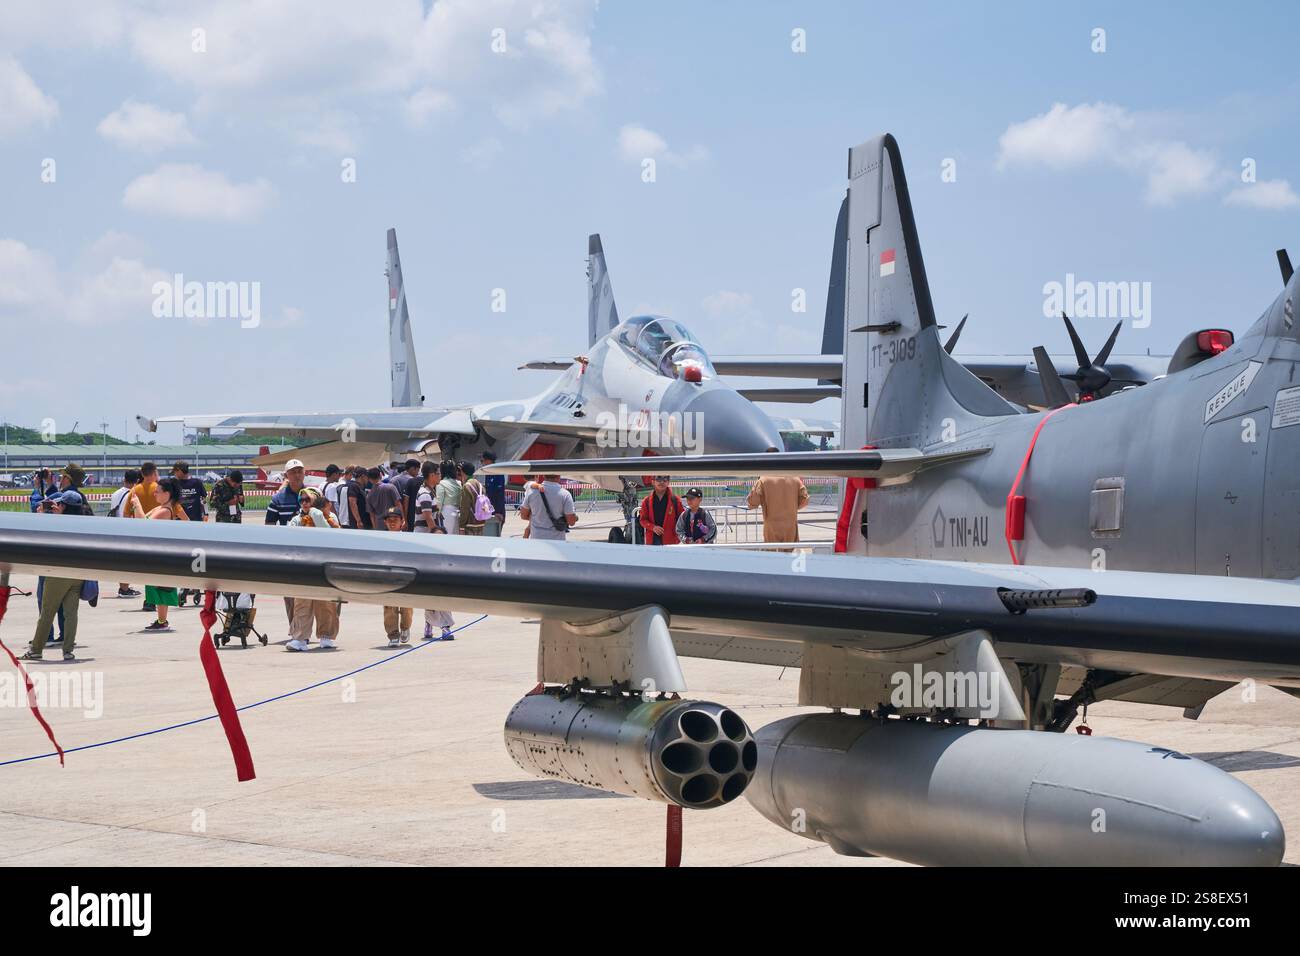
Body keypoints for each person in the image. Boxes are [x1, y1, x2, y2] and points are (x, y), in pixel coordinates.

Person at [21, 490, 87, 661]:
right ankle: (68, 650)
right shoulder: (84, 521)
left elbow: (40, 536)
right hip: (78, 573)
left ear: (64, 506)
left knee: (47, 612)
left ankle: (36, 649)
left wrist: (43, 516)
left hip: (59, 572)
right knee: (71, 614)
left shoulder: (57, 522)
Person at [285, 488, 341, 651]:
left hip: (325, 563)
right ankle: (300, 638)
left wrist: (317, 516)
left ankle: (326, 635)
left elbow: (330, 535)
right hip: (304, 563)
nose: (304, 503)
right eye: (301, 500)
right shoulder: (296, 519)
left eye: (307, 500)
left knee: (326, 603)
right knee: (302, 602)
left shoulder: (329, 518)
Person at [412, 465, 455, 640]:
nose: (439, 476)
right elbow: (429, 517)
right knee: (439, 585)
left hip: (427, 543)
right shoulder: (425, 493)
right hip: (428, 545)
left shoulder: (430, 490)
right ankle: (444, 626)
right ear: (430, 475)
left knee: (430, 586)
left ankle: (429, 625)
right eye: (437, 473)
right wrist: (436, 538)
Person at [142, 477, 185, 632]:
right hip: (158, 552)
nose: (155, 494)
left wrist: (136, 504)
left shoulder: (165, 510)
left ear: (167, 493)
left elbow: (143, 524)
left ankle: (162, 621)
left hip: (160, 553)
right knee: (159, 587)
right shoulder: (163, 508)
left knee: (161, 588)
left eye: (158, 491)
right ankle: (161, 620)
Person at [378, 505, 414, 646]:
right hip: (387, 577)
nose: (392, 522)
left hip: (405, 576)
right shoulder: (381, 539)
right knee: (389, 608)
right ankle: (393, 635)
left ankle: (405, 628)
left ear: (402, 522)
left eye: (395, 519)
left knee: (407, 608)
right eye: (389, 520)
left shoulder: (408, 539)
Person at [747, 474, 810, 546]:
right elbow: (805, 500)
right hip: (790, 526)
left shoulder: (763, 479)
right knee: (790, 553)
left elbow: (753, 502)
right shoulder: (795, 479)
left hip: (771, 527)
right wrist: (793, 507)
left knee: (773, 553)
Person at [109, 469, 142, 597]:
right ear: (137, 481)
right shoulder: (132, 495)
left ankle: (123, 586)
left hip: (116, 529)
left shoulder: (116, 493)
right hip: (127, 529)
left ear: (124, 479)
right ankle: (124, 589)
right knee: (127, 561)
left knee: (121, 560)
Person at [520, 474, 577, 540]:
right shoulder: (565, 494)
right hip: (557, 539)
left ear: (544, 475)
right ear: (558, 476)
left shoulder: (532, 492)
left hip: (537, 537)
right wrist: (575, 518)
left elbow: (523, 515)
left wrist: (536, 517)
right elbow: (571, 522)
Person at [638, 476, 683, 545]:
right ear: (653, 482)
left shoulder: (675, 500)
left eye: (665, 479)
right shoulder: (646, 501)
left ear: (668, 482)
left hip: (671, 540)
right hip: (653, 539)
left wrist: (677, 536)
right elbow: (642, 520)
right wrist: (653, 527)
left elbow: (681, 520)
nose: (662, 482)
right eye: (659, 479)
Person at [456, 460, 488, 536]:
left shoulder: (467, 486)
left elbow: (465, 508)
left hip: (470, 524)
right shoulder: (480, 485)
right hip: (481, 522)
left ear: (463, 472)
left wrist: (461, 526)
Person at [390, 459, 423, 532]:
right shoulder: (413, 481)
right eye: (418, 470)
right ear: (413, 468)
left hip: (395, 514)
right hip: (410, 515)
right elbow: (407, 502)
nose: (418, 473)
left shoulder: (393, 480)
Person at [480, 451, 506, 537]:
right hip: (489, 511)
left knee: (494, 536)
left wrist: (498, 512)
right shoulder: (488, 474)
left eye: (482, 461)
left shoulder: (497, 473)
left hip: (497, 512)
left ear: (488, 461)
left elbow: (499, 494)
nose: (482, 463)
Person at [435, 460, 462, 535]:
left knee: (446, 535)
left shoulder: (441, 484)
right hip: (457, 511)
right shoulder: (459, 483)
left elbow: (439, 502)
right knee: (456, 536)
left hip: (446, 512)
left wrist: (436, 514)